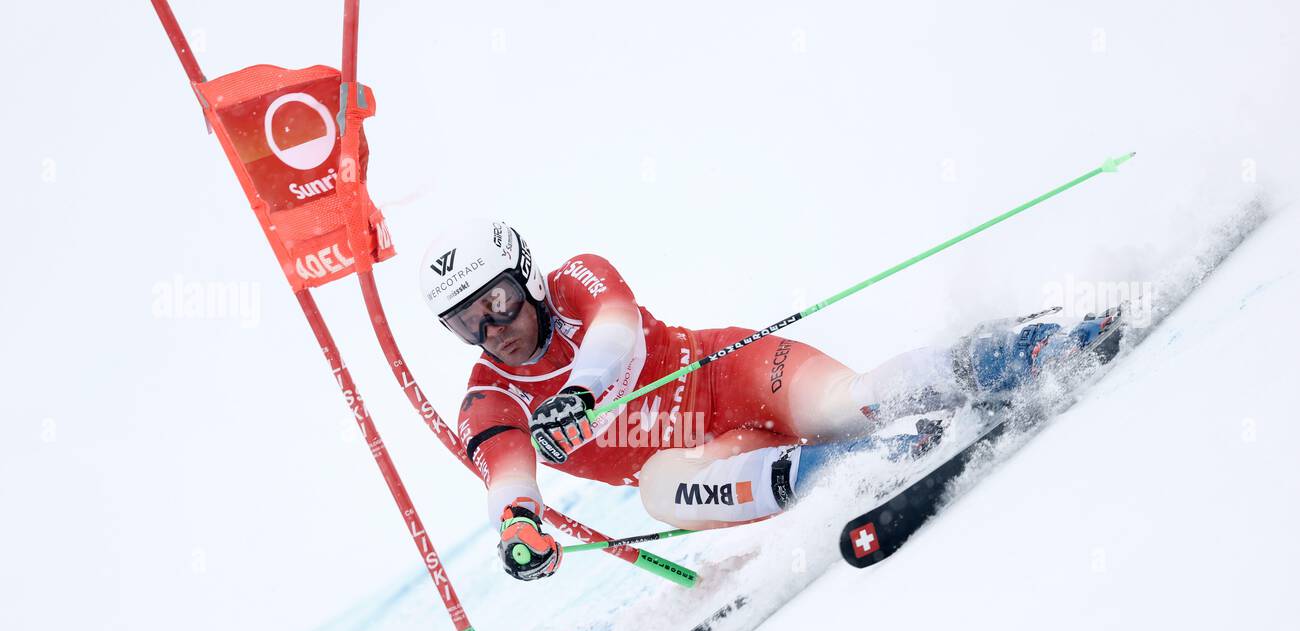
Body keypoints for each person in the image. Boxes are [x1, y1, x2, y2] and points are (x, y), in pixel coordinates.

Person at [420, 219, 1109, 581]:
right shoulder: (490, 400)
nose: (492, 330)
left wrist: (577, 397)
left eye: (499, 303)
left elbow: (617, 333)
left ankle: (1029, 350)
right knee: (662, 489)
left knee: (851, 401)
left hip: (735, 373)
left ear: (529, 279)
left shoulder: (577, 280)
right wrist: (519, 531)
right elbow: (509, 483)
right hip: (716, 456)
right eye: (466, 323)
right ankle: (877, 463)